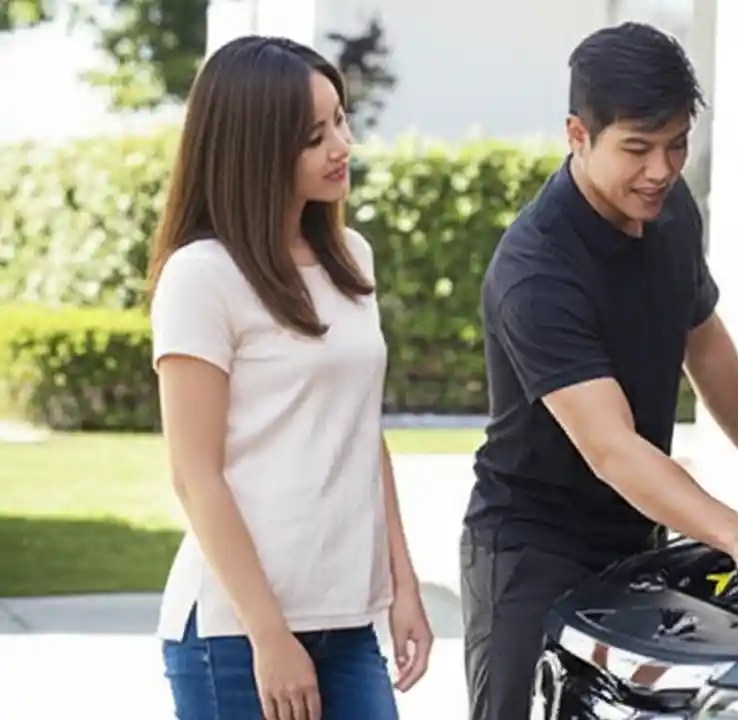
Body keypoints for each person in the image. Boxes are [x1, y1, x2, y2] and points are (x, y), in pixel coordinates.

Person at [459, 22, 738, 720]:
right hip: (530, 550)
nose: (661, 169)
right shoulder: (536, 272)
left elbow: (701, 340)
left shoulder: (671, 211)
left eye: (676, 144)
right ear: (577, 135)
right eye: (637, 149)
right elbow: (612, 449)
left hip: (636, 534)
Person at [147, 35, 432, 720]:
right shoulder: (201, 277)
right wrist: (268, 637)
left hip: (347, 622)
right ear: (254, 146)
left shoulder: (349, 259)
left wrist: (403, 586)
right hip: (235, 634)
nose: (342, 145)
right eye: (314, 135)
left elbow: (363, 433)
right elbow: (196, 475)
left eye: (339, 120)